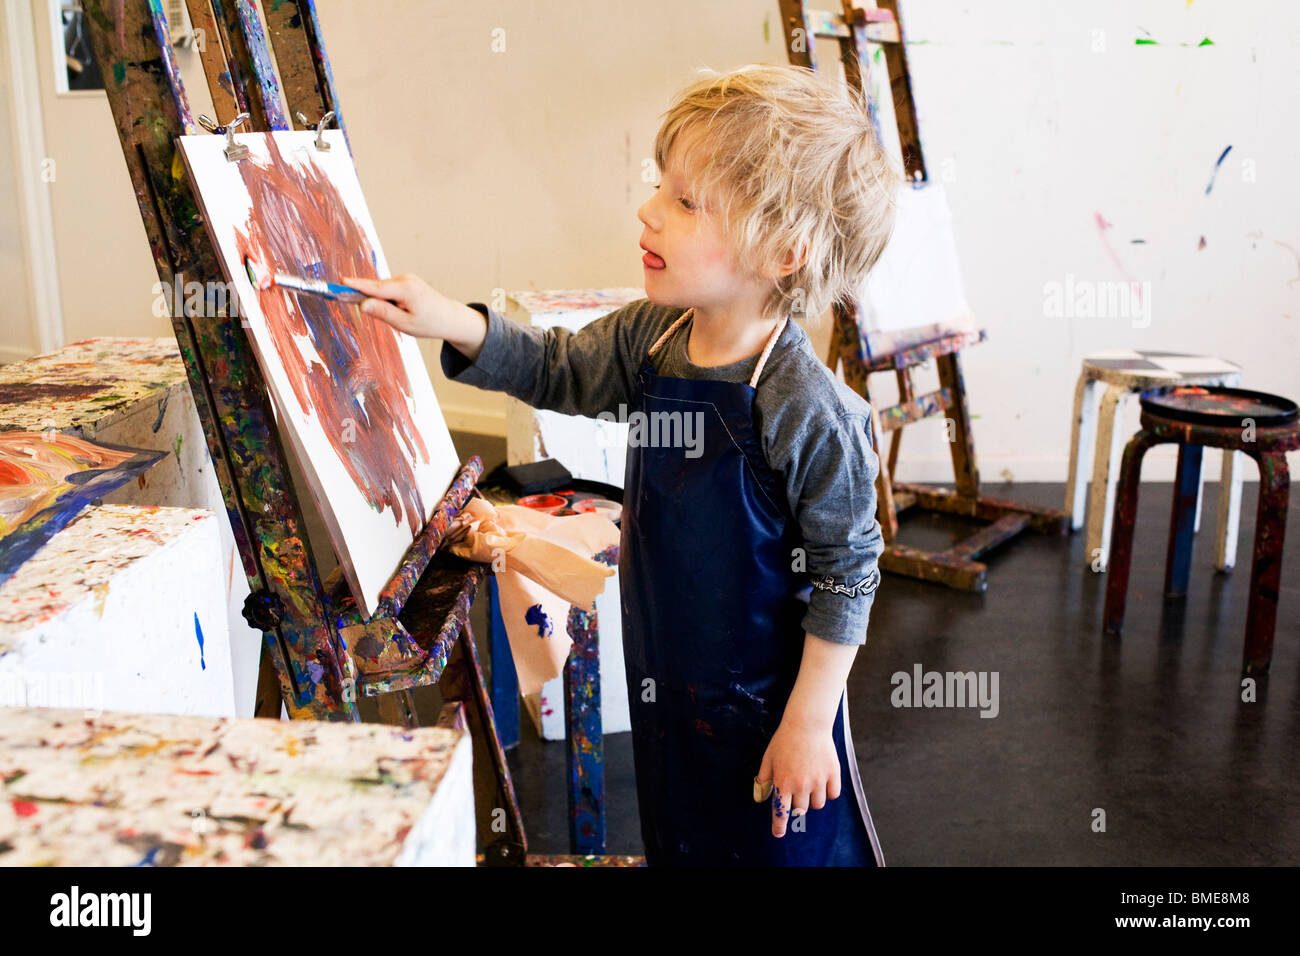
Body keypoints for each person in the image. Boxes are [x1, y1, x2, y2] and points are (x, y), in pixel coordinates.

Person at [345, 63, 901, 866]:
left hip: (770, 702)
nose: (647, 210)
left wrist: (810, 723)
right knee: (685, 833)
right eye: (660, 187)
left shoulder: (807, 406)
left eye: (684, 201)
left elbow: (848, 573)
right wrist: (453, 321)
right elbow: (557, 367)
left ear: (783, 250)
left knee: (779, 848)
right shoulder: (655, 335)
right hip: (669, 672)